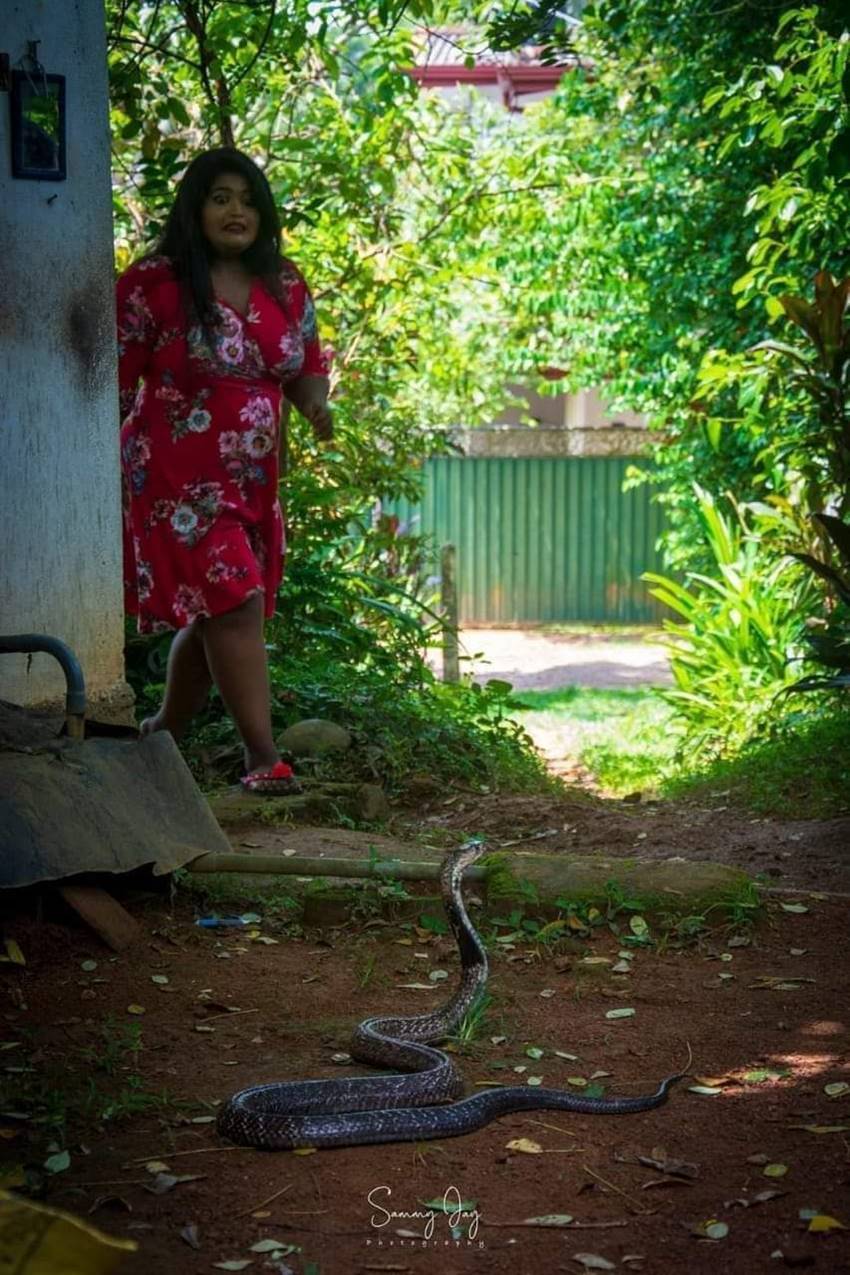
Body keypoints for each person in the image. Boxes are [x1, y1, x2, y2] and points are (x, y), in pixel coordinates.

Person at [117, 147, 332, 793]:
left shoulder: (285, 283)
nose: (236, 210)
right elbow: (113, 379)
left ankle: (162, 734)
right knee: (235, 600)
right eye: (220, 198)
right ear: (195, 208)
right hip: (174, 477)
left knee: (224, 608)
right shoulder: (153, 284)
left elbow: (304, 369)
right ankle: (263, 759)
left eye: (247, 199)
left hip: (252, 479)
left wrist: (316, 406)